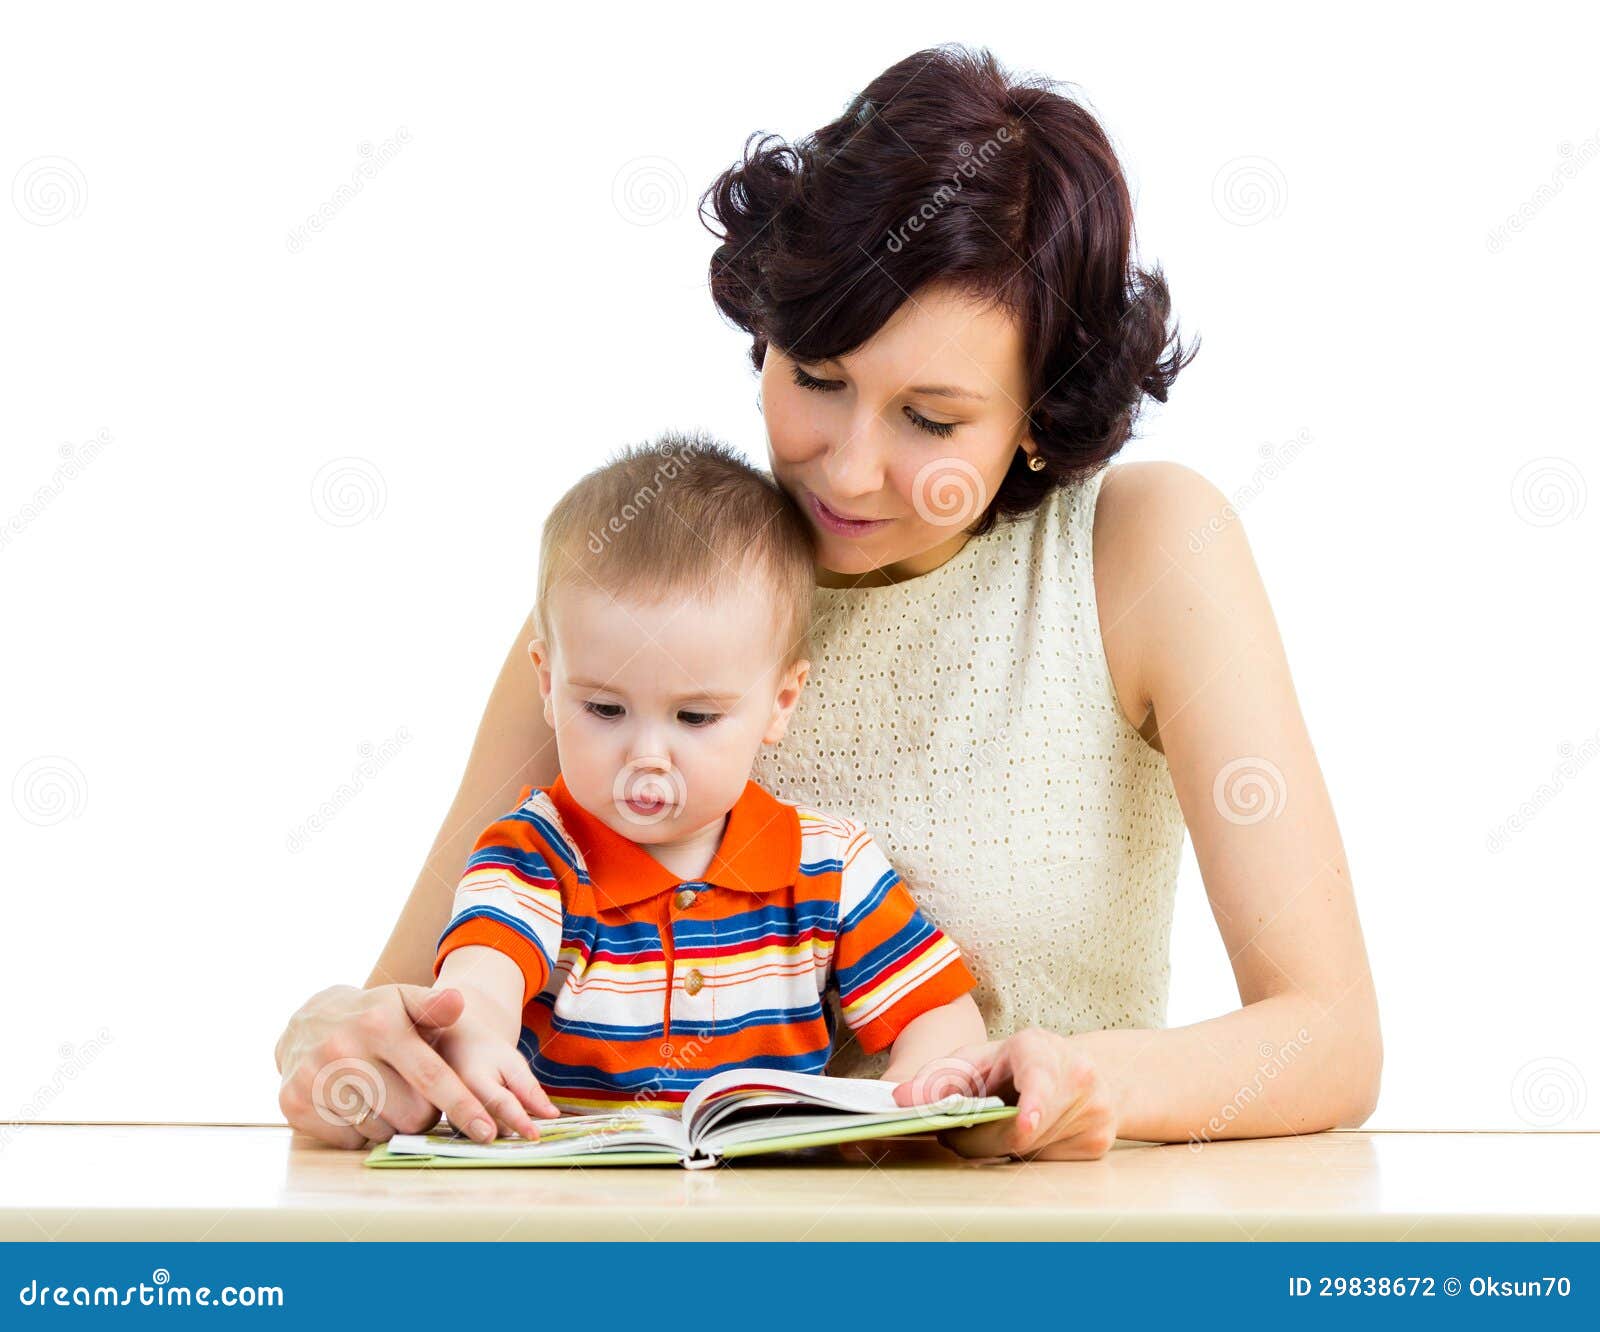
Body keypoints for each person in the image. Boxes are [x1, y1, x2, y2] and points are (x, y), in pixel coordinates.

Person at [277, 44, 1381, 1159]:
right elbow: (415, 999)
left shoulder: (1139, 552)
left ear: (1041, 416)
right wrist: (337, 1037)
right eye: (816, 379)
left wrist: (1097, 1081)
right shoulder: (646, 586)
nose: (847, 471)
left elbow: (1330, 1038)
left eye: (932, 420)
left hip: (1022, 1250)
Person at [425, 435, 984, 1143]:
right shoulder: (534, 855)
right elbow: (483, 973)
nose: (647, 754)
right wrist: (475, 1037)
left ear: (780, 703)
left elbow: (938, 1012)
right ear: (547, 682)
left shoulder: (828, 866)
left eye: (694, 717)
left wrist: (921, 1083)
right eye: (603, 709)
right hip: (570, 1195)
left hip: (770, 1204)